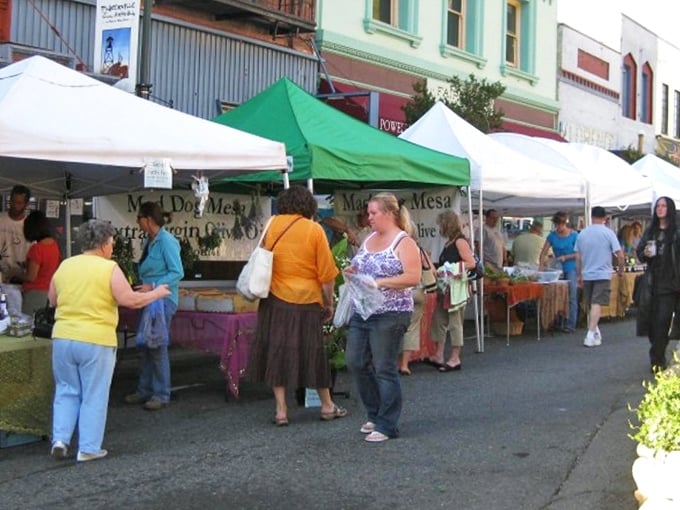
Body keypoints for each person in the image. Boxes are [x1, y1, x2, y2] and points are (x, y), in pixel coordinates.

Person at [48, 219, 170, 462]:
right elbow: (130, 300)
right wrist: (157, 292)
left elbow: (53, 300)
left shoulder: (65, 265)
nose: (112, 248)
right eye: (112, 243)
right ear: (103, 244)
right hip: (96, 339)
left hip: (63, 337)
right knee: (94, 393)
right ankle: (88, 448)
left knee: (66, 390)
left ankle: (60, 440)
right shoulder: (108, 268)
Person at [248, 186, 347, 426]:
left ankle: (281, 410)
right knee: (313, 352)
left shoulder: (271, 225)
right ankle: (326, 405)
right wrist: (328, 302)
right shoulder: (314, 230)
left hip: (275, 299)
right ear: (308, 205)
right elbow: (326, 273)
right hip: (306, 300)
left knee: (277, 351)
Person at [345, 192, 420, 443]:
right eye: (369, 213)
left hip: (391, 312)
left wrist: (381, 282)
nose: (369, 218)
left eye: (373, 213)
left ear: (389, 214)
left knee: (384, 367)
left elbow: (413, 277)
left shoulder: (404, 242)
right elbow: (360, 264)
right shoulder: (369, 239)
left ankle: (387, 424)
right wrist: (352, 270)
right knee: (355, 361)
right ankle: (375, 414)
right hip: (364, 309)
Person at [124, 202, 183, 411]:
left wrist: (153, 286)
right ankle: (144, 390)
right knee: (144, 346)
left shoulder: (167, 241)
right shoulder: (149, 240)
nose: (137, 222)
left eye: (139, 217)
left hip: (162, 300)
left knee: (156, 346)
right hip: (148, 299)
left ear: (147, 219)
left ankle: (161, 393)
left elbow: (177, 272)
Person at [428, 210, 477, 373]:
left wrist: (448, 270)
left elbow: (470, 263)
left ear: (446, 224)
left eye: (441, 224)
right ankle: (439, 354)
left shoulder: (460, 242)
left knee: (455, 323)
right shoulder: (450, 242)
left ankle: (455, 358)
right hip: (446, 287)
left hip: (456, 288)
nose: (439, 228)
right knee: (439, 320)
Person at [636, 197, 680, 370]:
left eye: (663, 206)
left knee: (662, 322)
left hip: (670, 285)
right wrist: (645, 253)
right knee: (652, 324)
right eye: (658, 206)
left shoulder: (676, 231)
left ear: (670, 208)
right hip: (652, 283)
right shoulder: (651, 231)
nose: (660, 209)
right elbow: (640, 253)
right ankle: (658, 353)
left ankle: (657, 360)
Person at [575, 206, 624, 348]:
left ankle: (595, 331)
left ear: (591, 216)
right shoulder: (608, 233)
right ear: (605, 218)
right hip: (603, 273)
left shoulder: (582, 234)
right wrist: (620, 270)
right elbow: (620, 255)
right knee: (597, 303)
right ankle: (590, 334)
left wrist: (579, 274)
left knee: (590, 303)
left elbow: (578, 257)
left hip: (587, 272)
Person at [10, 210, 61, 315]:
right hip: (49, 291)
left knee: (29, 325)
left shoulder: (37, 248)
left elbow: (31, 277)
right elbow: (47, 265)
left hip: (34, 293)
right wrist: (28, 264)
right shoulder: (54, 245)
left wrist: (14, 273)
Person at [397, 221, 431, 376]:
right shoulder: (417, 248)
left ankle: (391, 361)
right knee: (412, 327)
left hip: (400, 290)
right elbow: (429, 267)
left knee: (394, 326)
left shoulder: (394, 246)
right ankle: (404, 364)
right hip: (418, 290)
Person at [539, 211, 579, 333]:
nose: (558, 228)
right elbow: (543, 252)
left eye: (560, 225)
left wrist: (566, 257)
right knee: (557, 295)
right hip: (557, 269)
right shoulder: (552, 236)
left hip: (571, 267)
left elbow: (579, 254)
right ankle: (556, 320)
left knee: (572, 296)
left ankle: (571, 324)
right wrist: (541, 264)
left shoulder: (574, 235)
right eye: (556, 225)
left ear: (565, 223)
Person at [0, 185, 32, 279]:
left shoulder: (30, 225)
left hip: (21, 277)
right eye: (12, 202)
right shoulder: (1, 220)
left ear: (26, 204)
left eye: (19, 203)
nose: (14, 206)